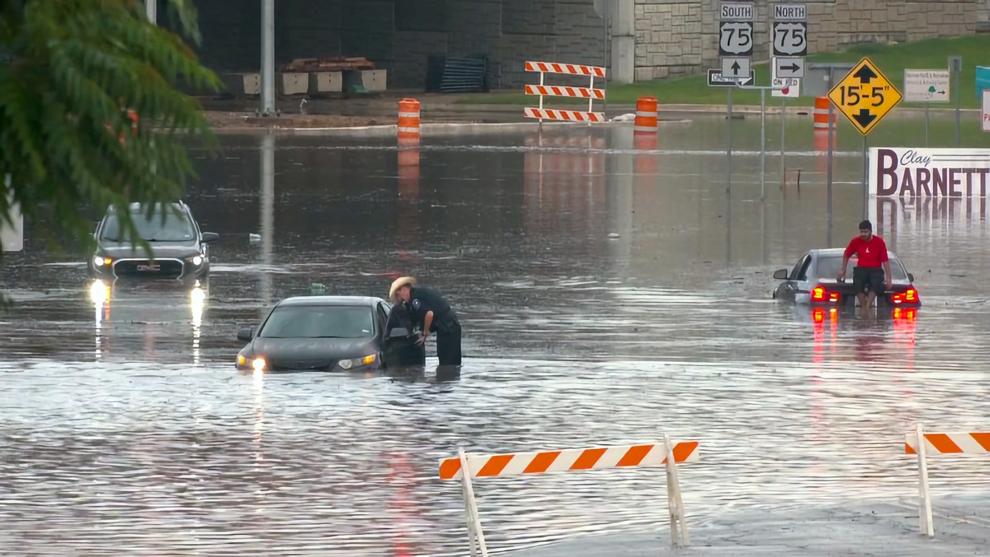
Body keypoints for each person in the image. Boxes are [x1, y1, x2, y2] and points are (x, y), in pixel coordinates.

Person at [388, 277, 462, 366]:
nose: (401, 299)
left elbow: (429, 314)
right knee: (450, 361)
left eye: (399, 296)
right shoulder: (419, 293)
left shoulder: (415, 300)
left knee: (447, 361)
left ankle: (448, 378)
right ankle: (450, 378)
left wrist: (425, 333)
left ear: (404, 289)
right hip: (449, 326)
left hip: (448, 328)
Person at [836, 220, 891, 312]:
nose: (863, 234)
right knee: (857, 283)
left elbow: (885, 261)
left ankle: (867, 307)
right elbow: (846, 254)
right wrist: (843, 270)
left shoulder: (879, 242)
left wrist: (889, 278)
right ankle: (864, 306)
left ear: (870, 231)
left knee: (876, 282)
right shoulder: (855, 241)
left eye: (865, 232)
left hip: (875, 270)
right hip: (861, 269)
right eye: (861, 232)